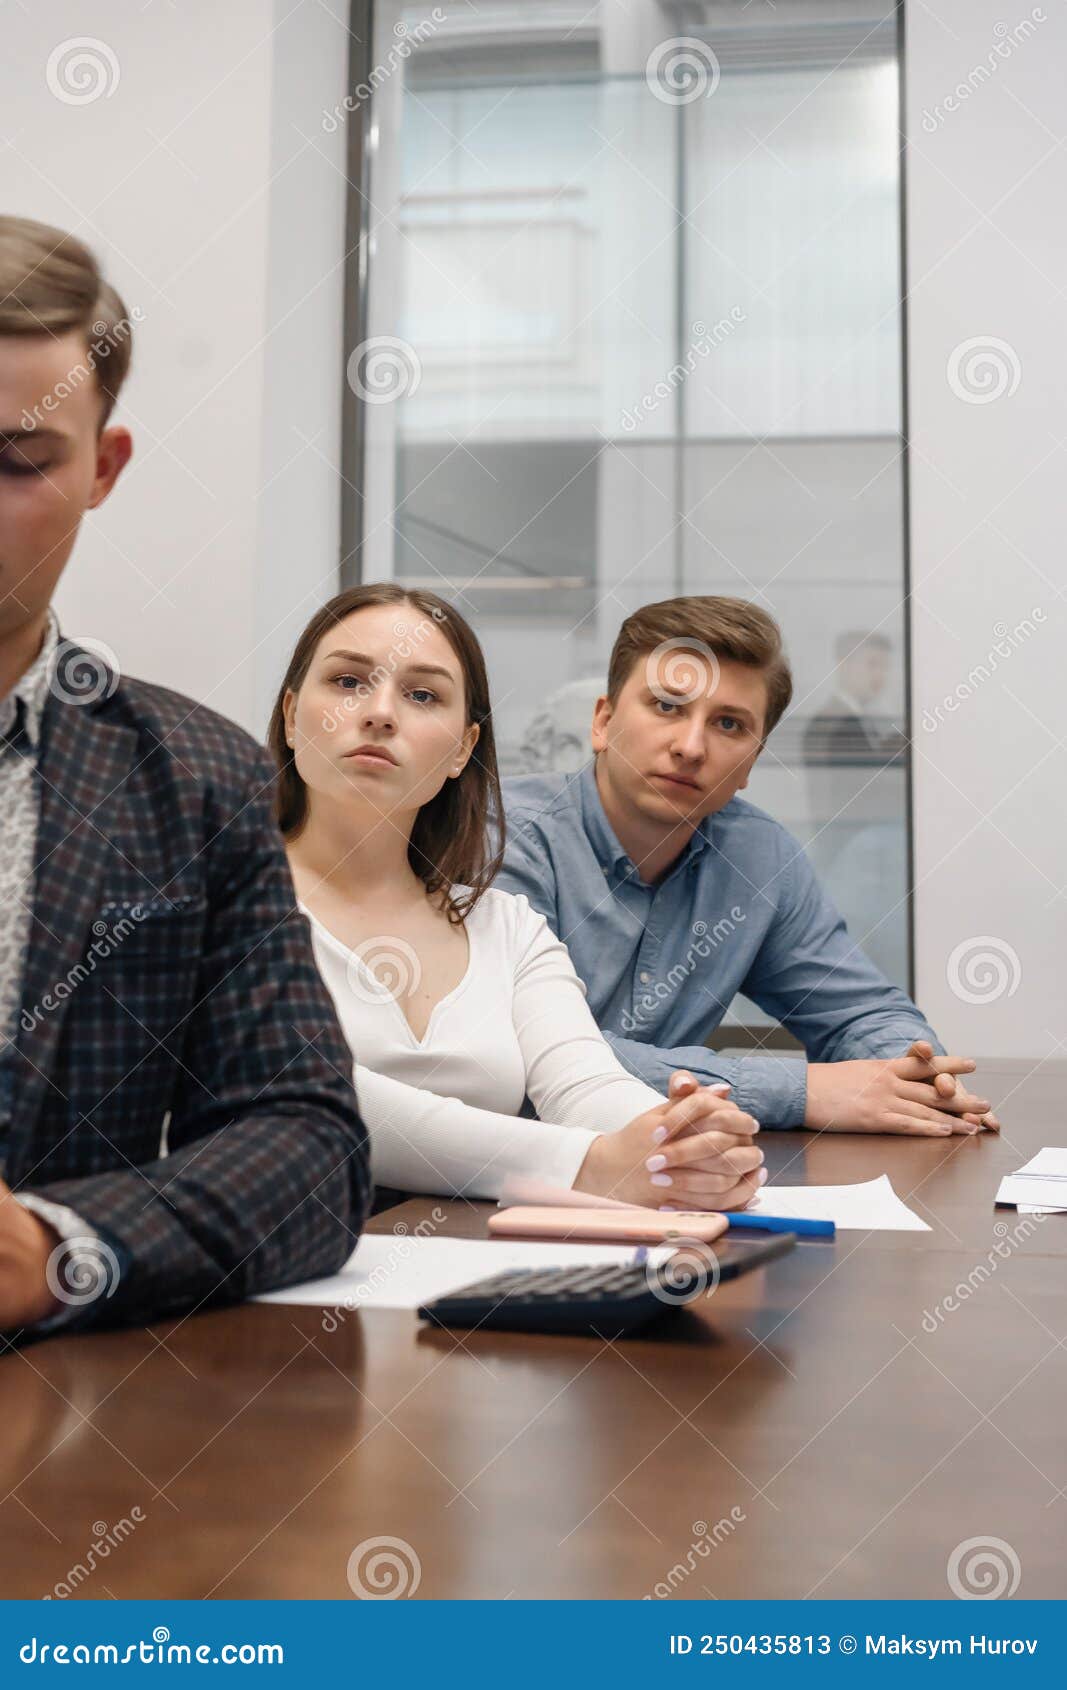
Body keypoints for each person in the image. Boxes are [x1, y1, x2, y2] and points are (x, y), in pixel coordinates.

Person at [0, 216, 371, 1338]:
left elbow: (307, 1147)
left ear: (102, 468)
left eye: (17, 464)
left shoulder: (195, 782)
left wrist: (59, 1247)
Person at [270, 583, 765, 1212]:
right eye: (348, 682)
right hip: (248, 1289)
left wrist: (685, 1141)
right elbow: (321, 1095)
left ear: (461, 749)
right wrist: (586, 1166)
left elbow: (583, 1085)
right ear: (291, 716)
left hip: (465, 1286)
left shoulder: (506, 924)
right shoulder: (217, 900)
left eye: (422, 694)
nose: (380, 713)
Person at [496, 596, 999, 1137]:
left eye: (729, 724)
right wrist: (804, 1093)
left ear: (751, 764)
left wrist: (917, 1079)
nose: (690, 747)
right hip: (486, 1188)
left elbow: (858, 1011)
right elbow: (526, 1056)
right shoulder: (506, 838)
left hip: (665, 1175)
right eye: (666, 706)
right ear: (603, 721)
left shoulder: (757, 857)